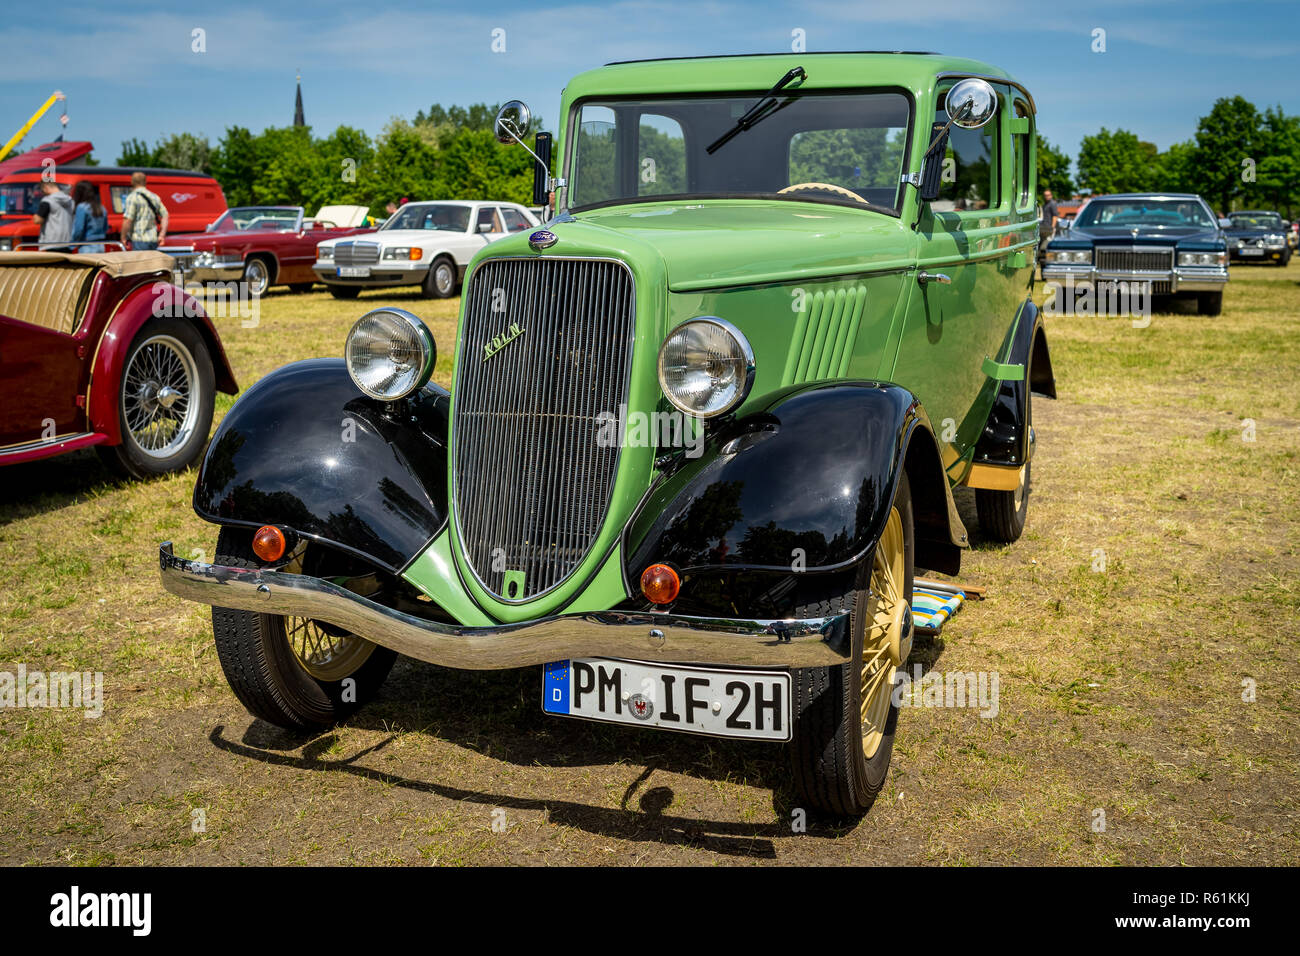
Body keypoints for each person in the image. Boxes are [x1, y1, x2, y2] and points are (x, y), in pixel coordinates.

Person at [119, 171, 168, 250]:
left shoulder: (132, 197)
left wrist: (123, 237)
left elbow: (128, 220)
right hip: (153, 240)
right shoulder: (154, 197)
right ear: (145, 182)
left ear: (132, 182)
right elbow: (165, 215)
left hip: (139, 240)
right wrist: (162, 235)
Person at [32, 180, 75, 249]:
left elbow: (38, 220)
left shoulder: (47, 201)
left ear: (45, 187)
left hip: (50, 243)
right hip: (67, 243)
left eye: (42, 191)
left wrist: (35, 216)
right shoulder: (70, 201)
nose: (43, 193)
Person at [70, 181, 108, 253]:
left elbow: (79, 230)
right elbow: (105, 227)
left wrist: (72, 244)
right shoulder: (101, 207)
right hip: (100, 245)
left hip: (87, 245)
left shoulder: (82, 207)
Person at [1039, 189, 1059, 257]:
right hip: (1044, 228)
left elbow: (1055, 216)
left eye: (1048, 195)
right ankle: (1042, 258)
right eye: (1045, 195)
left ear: (1051, 195)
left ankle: (1047, 259)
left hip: (1050, 228)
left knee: (1047, 245)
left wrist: (1052, 227)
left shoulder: (1052, 204)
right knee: (1042, 244)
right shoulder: (1045, 204)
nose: (1046, 196)